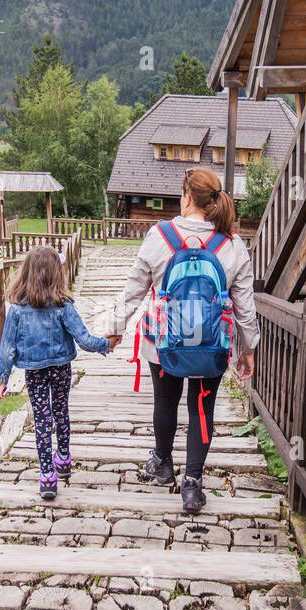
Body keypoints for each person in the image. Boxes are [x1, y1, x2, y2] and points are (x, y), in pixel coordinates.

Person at [104, 167, 258, 513]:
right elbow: (246, 308)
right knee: (202, 408)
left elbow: (133, 292)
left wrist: (114, 329)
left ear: (186, 197)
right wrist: (246, 350)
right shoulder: (232, 245)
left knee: (165, 402)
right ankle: (192, 483)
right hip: (212, 347)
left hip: (163, 344)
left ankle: (162, 463)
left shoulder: (160, 236)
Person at [0, 246, 110, 500]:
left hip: (34, 372)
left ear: (27, 274)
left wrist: (2, 379)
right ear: (56, 274)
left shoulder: (17, 309)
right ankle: (65, 458)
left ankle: (47, 475)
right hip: (60, 368)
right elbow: (84, 338)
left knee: (42, 419)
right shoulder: (63, 306)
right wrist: (106, 344)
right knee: (61, 410)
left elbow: (7, 347)